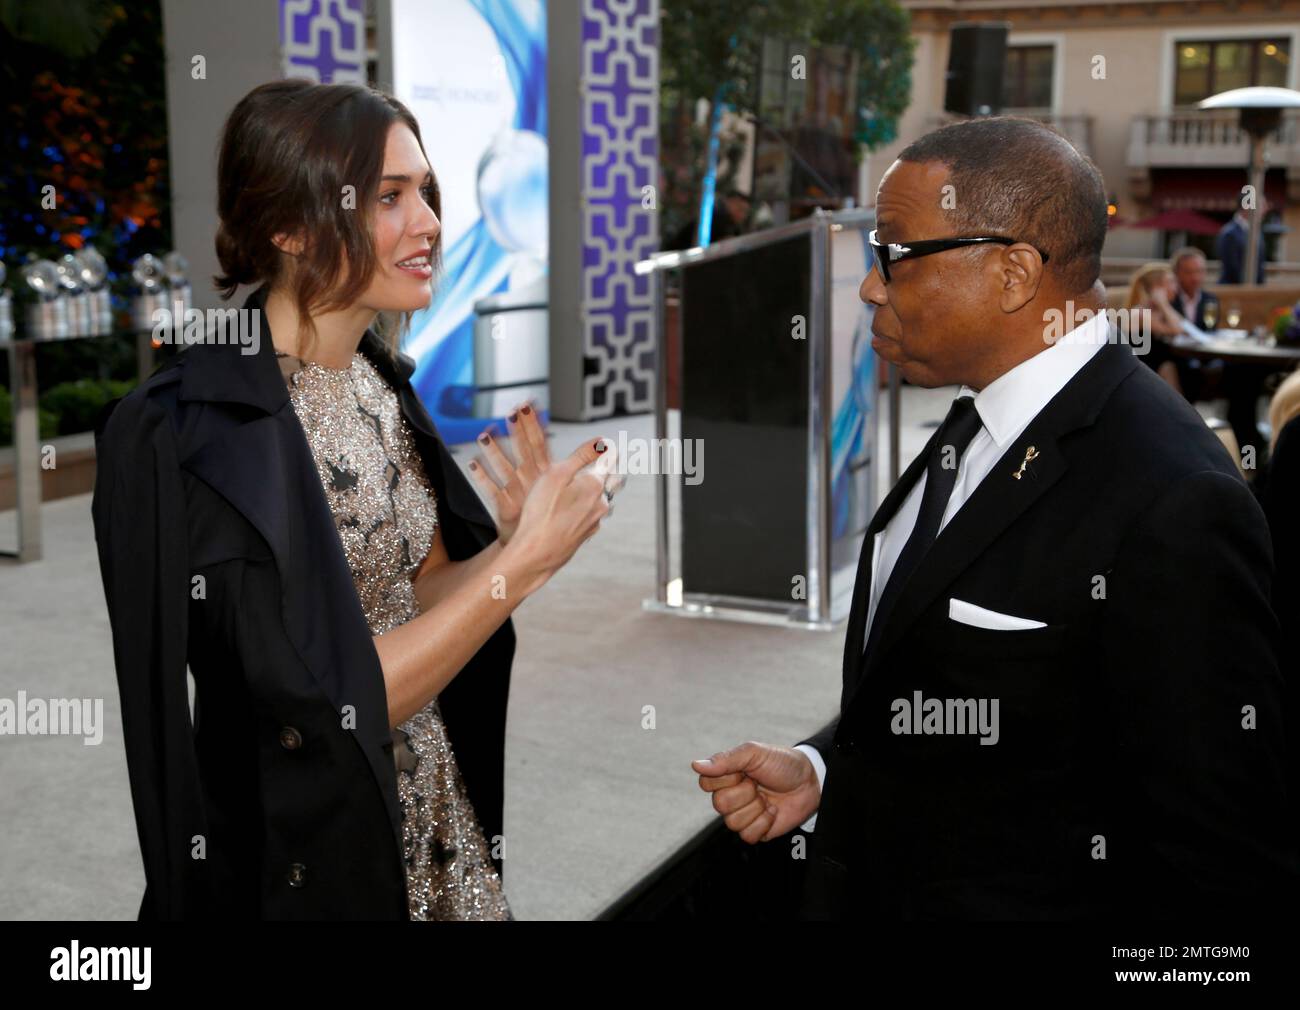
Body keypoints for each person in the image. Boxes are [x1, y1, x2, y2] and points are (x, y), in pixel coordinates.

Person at [692, 116, 1294, 919]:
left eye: (894, 252)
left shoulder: (1175, 499)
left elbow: (1223, 870)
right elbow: (962, 679)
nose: (872, 284)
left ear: (1012, 275)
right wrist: (827, 768)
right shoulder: (982, 414)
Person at [91, 80, 613, 920]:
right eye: (389, 197)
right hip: (300, 857)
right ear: (290, 226)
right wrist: (520, 567)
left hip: (426, 812)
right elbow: (328, 699)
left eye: (426, 192)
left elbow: (410, 597)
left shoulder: (378, 380)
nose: (432, 223)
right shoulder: (196, 432)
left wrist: (503, 546)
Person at [1123, 263, 1185, 393]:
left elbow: (1183, 327)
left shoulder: (1159, 312)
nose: (1176, 287)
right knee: (1169, 366)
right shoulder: (1139, 313)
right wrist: (1163, 304)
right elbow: (1178, 330)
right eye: (1171, 282)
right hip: (1142, 370)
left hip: (1158, 368)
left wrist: (1164, 306)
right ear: (1157, 288)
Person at [1215, 209, 1267, 285]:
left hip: (1254, 290)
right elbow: (1232, 268)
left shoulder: (1257, 231)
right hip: (1233, 289)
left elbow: (1260, 265)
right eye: (1261, 205)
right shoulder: (1229, 232)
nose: (1265, 209)